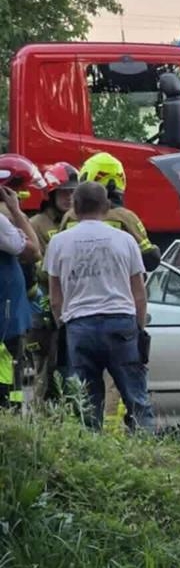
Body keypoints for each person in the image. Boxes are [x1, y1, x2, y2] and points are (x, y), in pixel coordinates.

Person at [45, 182, 154, 432]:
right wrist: (138, 328)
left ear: (75, 207)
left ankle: (91, 447)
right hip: (121, 323)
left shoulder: (58, 243)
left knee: (87, 404)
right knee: (137, 399)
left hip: (79, 326)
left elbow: (55, 297)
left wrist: (64, 325)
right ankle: (146, 444)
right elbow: (139, 293)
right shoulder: (125, 240)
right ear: (106, 206)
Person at [25, 162, 79, 406]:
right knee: (39, 368)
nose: (69, 198)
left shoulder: (76, 222)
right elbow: (37, 268)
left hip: (71, 306)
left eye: (74, 192)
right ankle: (34, 417)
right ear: (50, 194)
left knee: (66, 369)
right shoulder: (37, 224)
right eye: (64, 192)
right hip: (43, 308)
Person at [60, 152, 162, 271]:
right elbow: (150, 259)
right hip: (117, 281)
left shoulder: (70, 216)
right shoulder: (126, 217)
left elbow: (57, 255)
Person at [0, 156, 44, 409]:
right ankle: (10, 418)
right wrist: (16, 211)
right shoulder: (2, 224)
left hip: (10, 316)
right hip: (6, 320)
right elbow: (34, 251)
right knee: (10, 385)